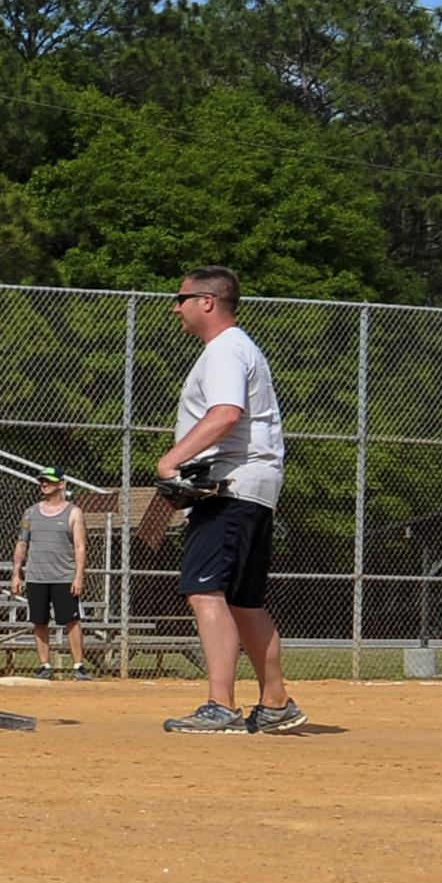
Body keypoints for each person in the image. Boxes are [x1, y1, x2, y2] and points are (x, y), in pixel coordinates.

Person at [149, 268, 297, 734]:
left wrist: (170, 461)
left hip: (229, 488)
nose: (176, 306)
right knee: (244, 601)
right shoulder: (240, 348)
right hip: (252, 486)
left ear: (207, 302)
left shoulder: (225, 350)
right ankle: (275, 704)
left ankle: (221, 705)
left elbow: (226, 413)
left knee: (204, 590)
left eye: (182, 297)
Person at [10, 469, 94, 680]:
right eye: (42, 481)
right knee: (39, 621)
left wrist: (78, 576)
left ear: (61, 484)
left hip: (64, 576)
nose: (44, 484)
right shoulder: (30, 513)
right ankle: (45, 665)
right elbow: (22, 542)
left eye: (49, 481)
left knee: (72, 621)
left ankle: (78, 666)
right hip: (37, 576)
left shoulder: (74, 513)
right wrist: (16, 574)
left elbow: (80, 547)